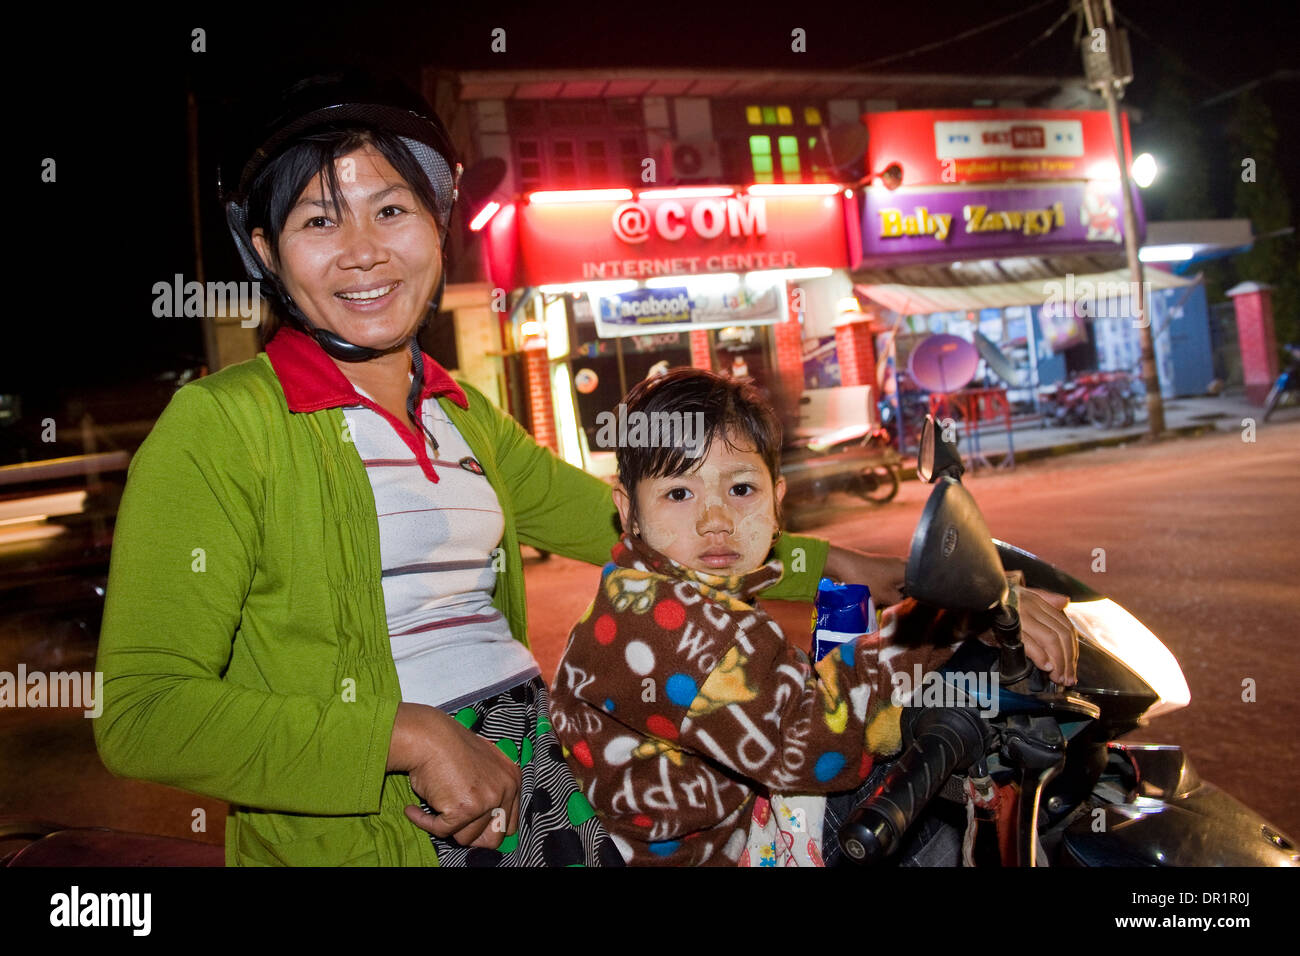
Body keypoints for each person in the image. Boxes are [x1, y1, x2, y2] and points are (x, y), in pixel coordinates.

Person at [92, 72, 912, 867]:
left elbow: (646, 526)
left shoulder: (462, 414)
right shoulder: (222, 427)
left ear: (437, 223)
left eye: (390, 210)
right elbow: (144, 711)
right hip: (389, 822)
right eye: (319, 224)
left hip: (544, 771)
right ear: (266, 252)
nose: (364, 254)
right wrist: (409, 735)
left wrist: (848, 565)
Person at [549, 369, 1077, 866]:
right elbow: (808, 747)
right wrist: (939, 621)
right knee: (923, 831)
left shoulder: (666, 589)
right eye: (679, 493)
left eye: (740, 490)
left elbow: (775, 691)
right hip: (715, 855)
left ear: (777, 501)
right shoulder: (663, 621)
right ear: (628, 510)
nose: (715, 521)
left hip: (739, 820)